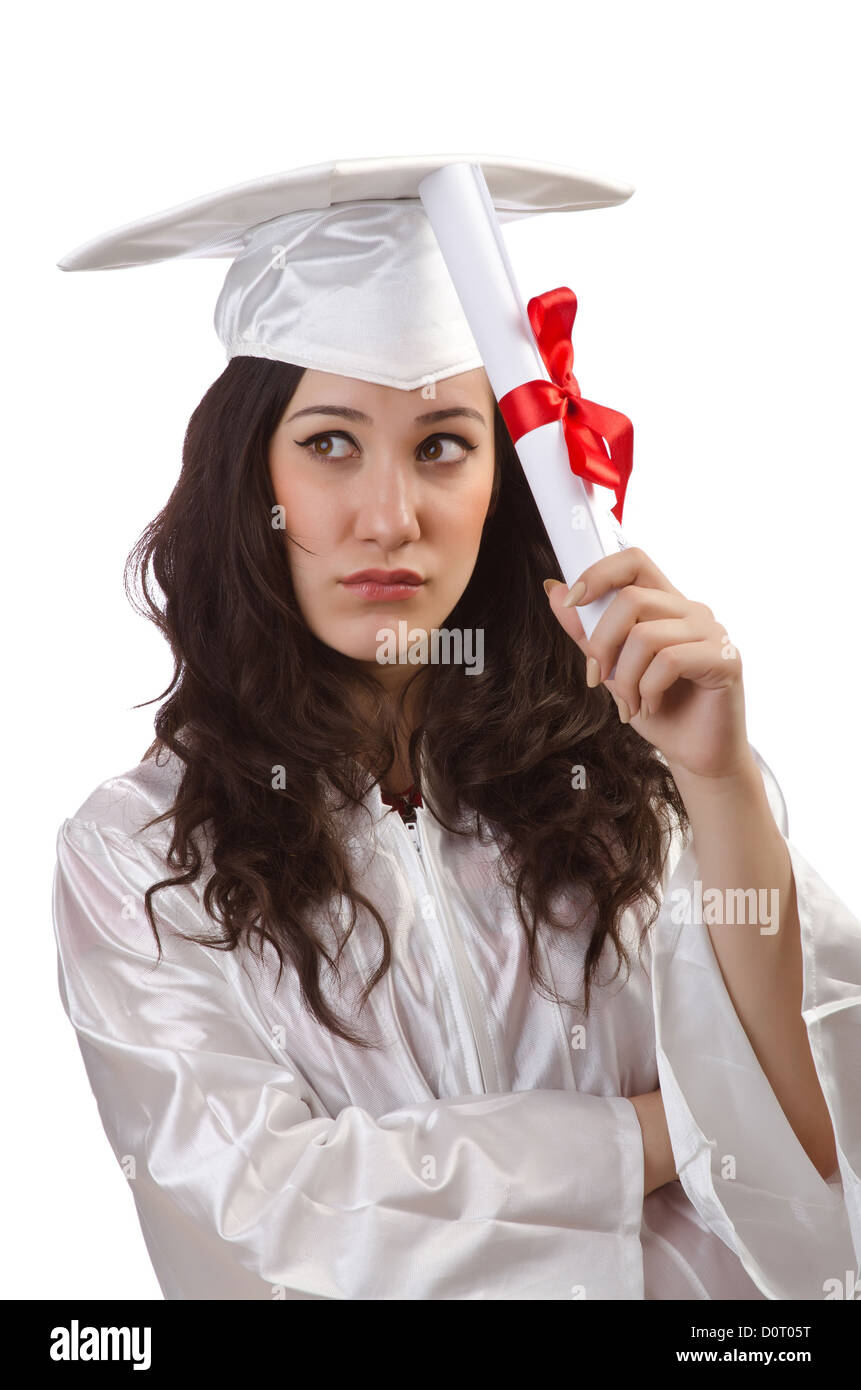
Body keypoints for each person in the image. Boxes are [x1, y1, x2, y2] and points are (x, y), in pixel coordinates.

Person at [52, 155, 861, 1300]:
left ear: (505, 481)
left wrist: (721, 786)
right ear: (252, 481)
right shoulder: (137, 854)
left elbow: (823, 1129)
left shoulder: (629, 777)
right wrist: (677, 1127)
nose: (389, 517)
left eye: (443, 444)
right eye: (330, 442)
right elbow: (281, 1212)